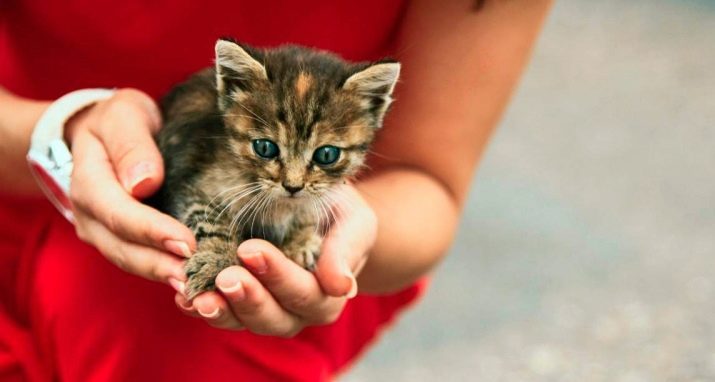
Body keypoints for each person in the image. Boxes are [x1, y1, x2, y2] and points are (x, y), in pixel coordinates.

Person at [0, 0, 552, 380]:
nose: (291, 180)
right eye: (269, 153)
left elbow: (430, 183)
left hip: (264, 302)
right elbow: (197, 197)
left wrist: (344, 235)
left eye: (324, 158)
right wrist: (58, 131)